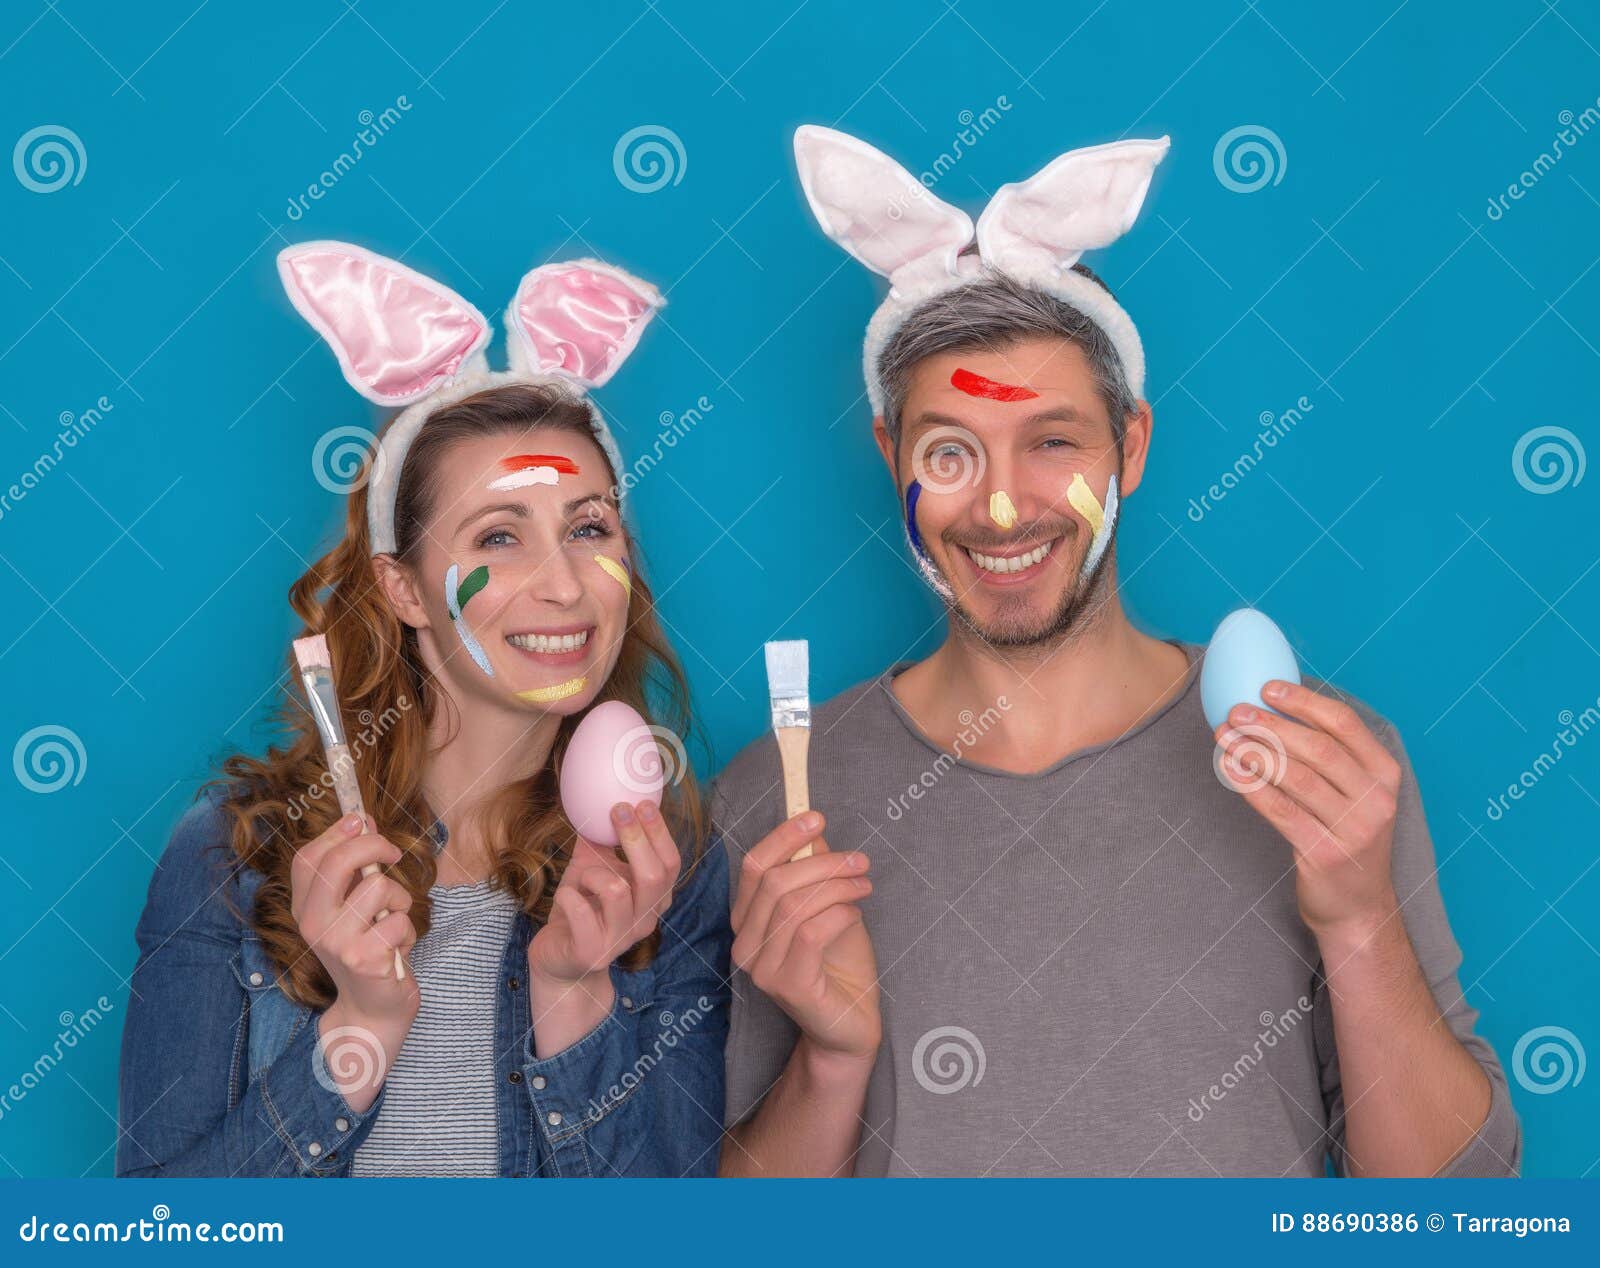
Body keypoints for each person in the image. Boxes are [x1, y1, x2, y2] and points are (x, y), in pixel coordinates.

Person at [714, 126, 1521, 1178]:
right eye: (949, 452)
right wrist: (830, 1056)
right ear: (886, 453)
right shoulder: (775, 797)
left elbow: (1450, 1209)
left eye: (1053, 441)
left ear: (1130, 445)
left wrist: (1359, 914)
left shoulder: (1317, 762)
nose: (1002, 509)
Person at [117, 245, 730, 1178]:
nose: (564, 585)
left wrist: (573, 999)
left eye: (589, 528)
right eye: (498, 537)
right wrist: (356, 1035)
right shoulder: (232, 862)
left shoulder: (666, 873)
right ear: (402, 590)